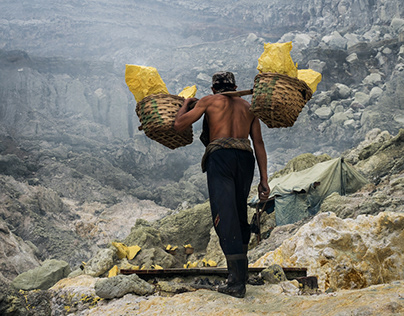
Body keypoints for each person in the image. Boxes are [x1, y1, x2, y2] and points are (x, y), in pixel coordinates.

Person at [174, 71, 269, 298]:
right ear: (235, 86)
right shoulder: (248, 106)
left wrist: (186, 103)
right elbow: (258, 143)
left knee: (225, 216)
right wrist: (264, 179)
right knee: (238, 214)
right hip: (245, 159)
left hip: (221, 157)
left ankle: (236, 283)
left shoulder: (209, 101)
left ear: (214, 89)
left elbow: (178, 125)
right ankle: (241, 274)